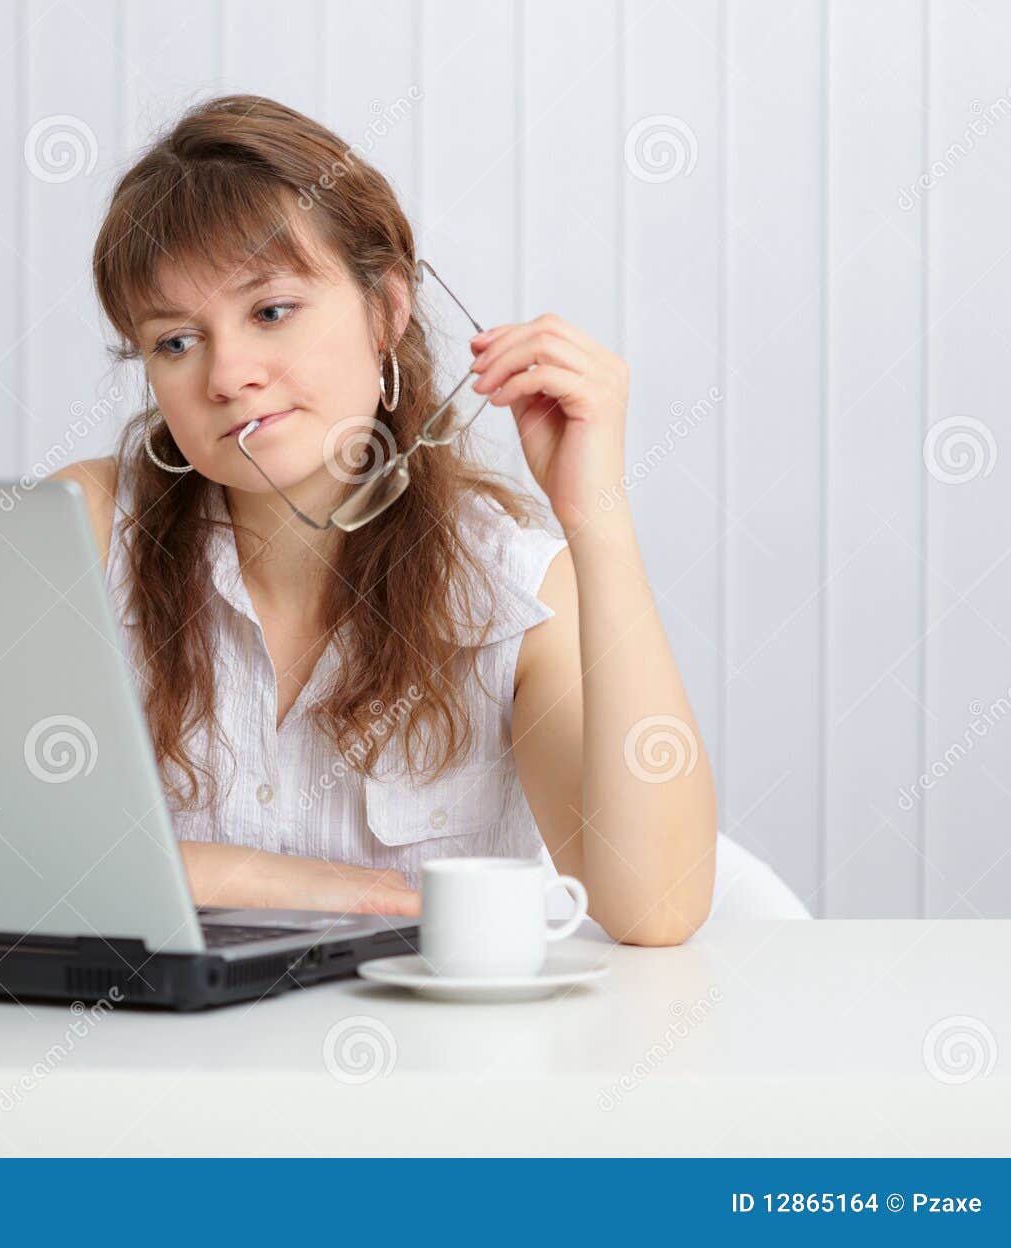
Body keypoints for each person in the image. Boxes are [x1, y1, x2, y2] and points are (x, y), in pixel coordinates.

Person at [53, 94, 715, 945]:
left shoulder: (514, 589)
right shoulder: (89, 530)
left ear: (386, 311)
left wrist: (600, 522)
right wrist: (297, 886)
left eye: (270, 311)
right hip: (151, 1071)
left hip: (427, 1071)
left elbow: (653, 906)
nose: (227, 375)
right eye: (176, 341)